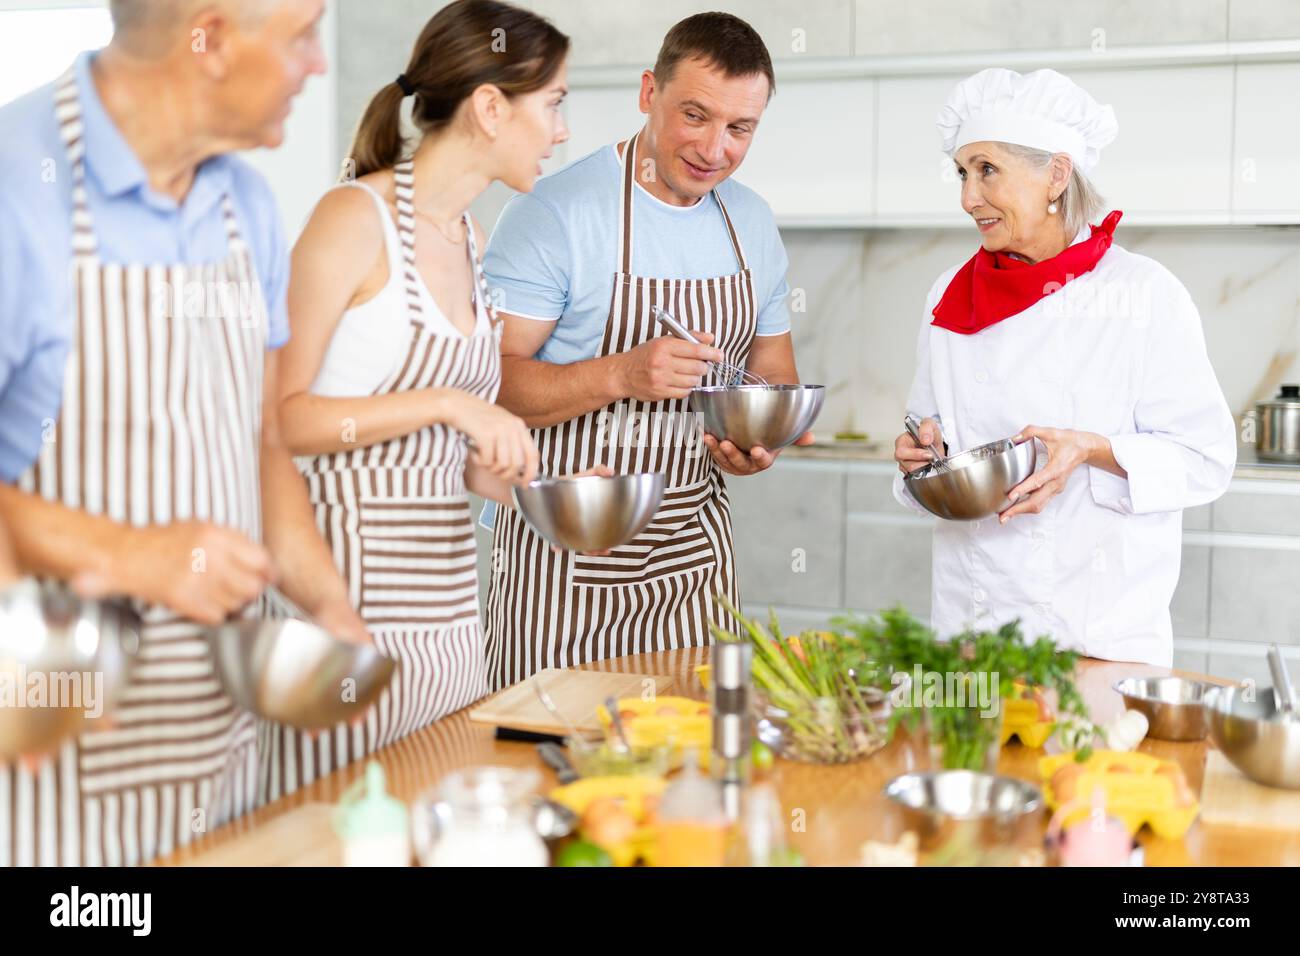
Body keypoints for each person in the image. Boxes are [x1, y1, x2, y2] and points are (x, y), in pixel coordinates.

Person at [0, 0, 365, 866]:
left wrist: (327, 604)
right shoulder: (18, 186)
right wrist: (132, 552)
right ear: (209, 37)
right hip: (55, 733)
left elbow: (262, 444)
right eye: (302, 36)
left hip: (219, 740)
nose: (318, 65)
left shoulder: (247, 203)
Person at [271, 0, 569, 786]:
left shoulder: (468, 239)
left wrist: (515, 481)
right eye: (555, 105)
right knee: (344, 833)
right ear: (490, 106)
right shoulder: (352, 219)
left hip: (447, 617)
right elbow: (283, 420)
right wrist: (451, 403)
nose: (563, 130)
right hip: (348, 617)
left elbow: (435, 454)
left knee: (444, 822)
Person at [481, 12, 812, 690]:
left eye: (740, 129)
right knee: (554, 763)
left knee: (691, 760)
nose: (715, 149)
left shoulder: (749, 220)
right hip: (565, 556)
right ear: (648, 94)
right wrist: (623, 373)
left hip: (693, 557)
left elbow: (775, 370)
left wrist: (754, 439)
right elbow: (491, 386)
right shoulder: (554, 212)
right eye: (695, 115)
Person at [893, 68, 1236, 667]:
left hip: (1100, 637)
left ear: (1056, 173)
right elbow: (928, 434)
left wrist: (1092, 450)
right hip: (971, 634)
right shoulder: (948, 295)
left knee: (1089, 765)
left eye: (987, 170)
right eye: (962, 172)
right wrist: (918, 454)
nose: (968, 197)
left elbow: (1206, 460)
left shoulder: (1143, 294)